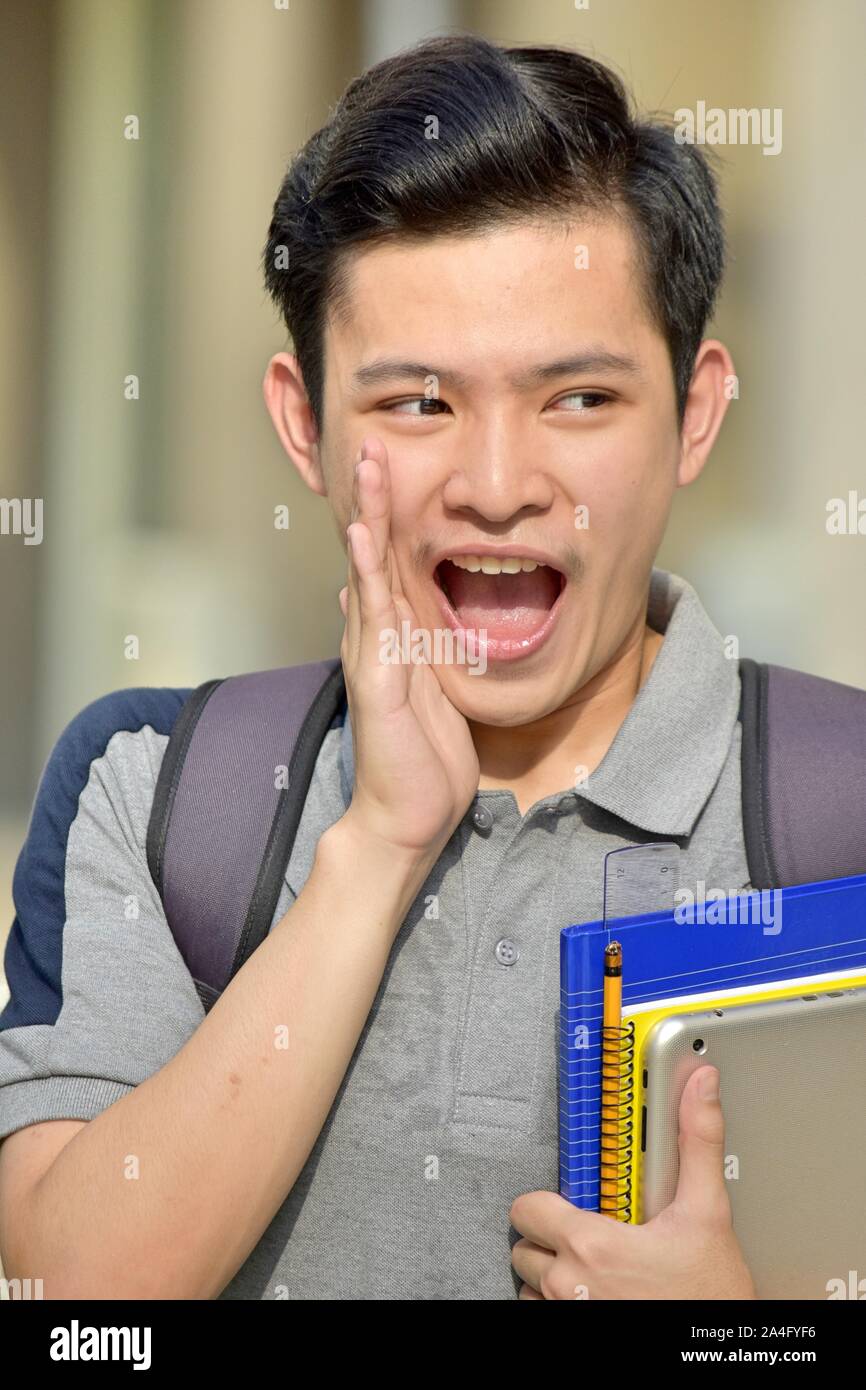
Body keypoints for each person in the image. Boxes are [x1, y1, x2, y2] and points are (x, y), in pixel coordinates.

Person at [0, 34, 758, 1299]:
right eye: (417, 404)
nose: (499, 487)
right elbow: (81, 1305)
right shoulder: (149, 794)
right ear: (305, 423)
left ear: (692, 413)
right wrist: (382, 842)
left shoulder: (833, 808)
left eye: (576, 399)